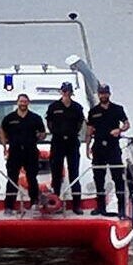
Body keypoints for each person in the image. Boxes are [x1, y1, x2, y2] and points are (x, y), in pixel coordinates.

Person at [86, 84, 130, 216]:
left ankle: (121, 208)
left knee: (118, 177)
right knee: (99, 178)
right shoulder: (93, 111)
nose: (103, 95)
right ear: (98, 95)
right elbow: (89, 130)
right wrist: (87, 147)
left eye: (105, 93)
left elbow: (127, 124)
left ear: (109, 94)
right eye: (101, 93)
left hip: (113, 147)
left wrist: (120, 130)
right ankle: (100, 207)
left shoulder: (117, 109)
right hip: (98, 148)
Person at [0, 93, 46, 211]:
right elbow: (2, 133)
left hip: (30, 152)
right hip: (14, 152)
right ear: (17, 102)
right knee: (12, 178)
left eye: (25, 101)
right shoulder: (9, 118)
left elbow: (43, 133)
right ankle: (9, 206)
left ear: (28, 103)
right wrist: (5, 145)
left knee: (32, 178)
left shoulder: (35, 118)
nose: (23, 103)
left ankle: (34, 202)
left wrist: (40, 136)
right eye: (21, 101)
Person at [45, 82, 85, 213]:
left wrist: (71, 133)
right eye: (64, 91)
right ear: (61, 92)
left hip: (72, 142)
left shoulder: (77, 107)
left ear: (71, 92)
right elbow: (49, 123)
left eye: (68, 91)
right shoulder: (53, 107)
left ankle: (76, 205)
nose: (66, 93)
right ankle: (55, 202)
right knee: (56, 173)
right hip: (58, 142)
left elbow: (80, 124)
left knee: (74, 173)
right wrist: (58, 133)